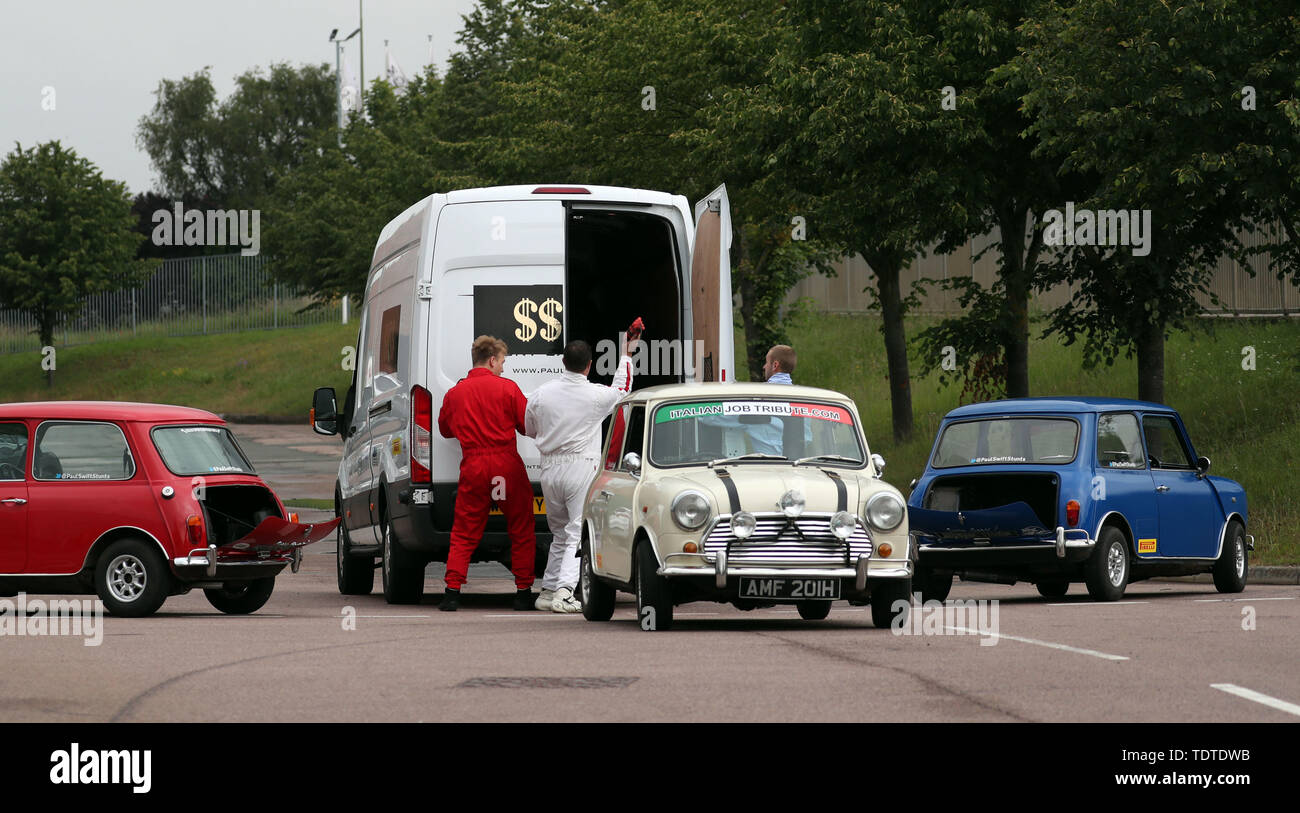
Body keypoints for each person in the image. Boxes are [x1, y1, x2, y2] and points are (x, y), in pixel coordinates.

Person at [524, 318, 642, 612]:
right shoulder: (594, 396)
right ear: (589, 365)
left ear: (563, 362)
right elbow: (623, 390)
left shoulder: (541, 394)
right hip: (579, 467)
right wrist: (627, 353)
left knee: (560, 533)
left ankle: (548, 590)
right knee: (576, 532)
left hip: (549, 468)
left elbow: (529, 429)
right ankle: (565, 591)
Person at [436, 335, 537, 612]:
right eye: (502, 362)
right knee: (521, 528)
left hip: (474, 465)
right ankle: (523, 592)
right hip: (505, 464)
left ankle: (452, 592)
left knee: (464, 531)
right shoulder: (507, 388)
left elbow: (445, 429)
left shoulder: (455, 393)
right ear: (492, 360)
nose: (503, 367)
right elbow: (526, 426)